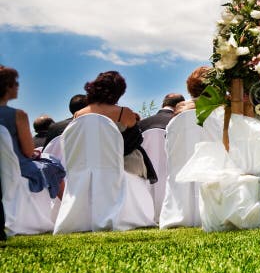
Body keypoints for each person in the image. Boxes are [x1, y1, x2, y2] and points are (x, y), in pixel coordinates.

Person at [74, 71, 156, 183]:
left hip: (90, 170)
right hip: (126, 170)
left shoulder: (78, 114)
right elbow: (136, 139)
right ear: (118, 92)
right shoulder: (124, 112)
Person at [0, 67, 65, 200]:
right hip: (17, 170)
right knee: (54, 165)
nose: (17, 86)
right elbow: (29, 152)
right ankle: (64, 208)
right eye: (15, 82)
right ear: (7, 86)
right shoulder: (19, 115)